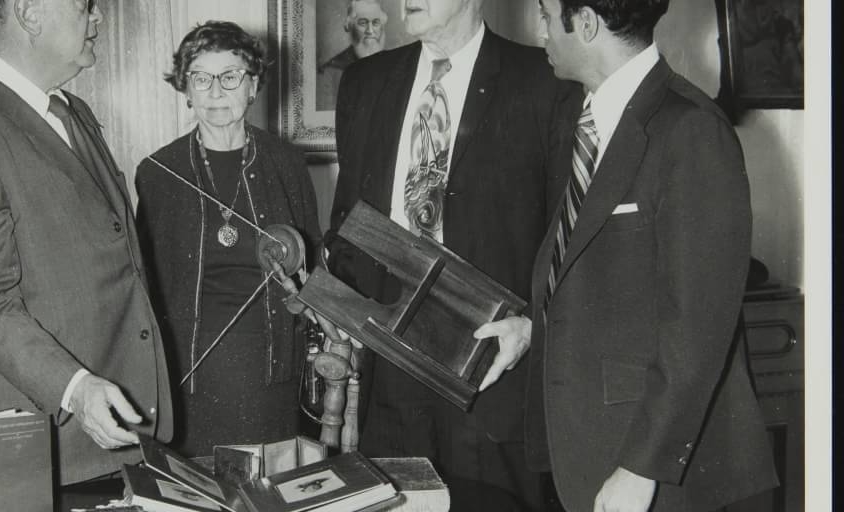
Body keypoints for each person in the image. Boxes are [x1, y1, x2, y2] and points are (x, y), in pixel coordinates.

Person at [482, 0, 780, 510]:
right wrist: (533, 326)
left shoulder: (692, 131)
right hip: (590, 450)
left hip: (657, 472)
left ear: (589, 24)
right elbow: (598, 269)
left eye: (547, 15)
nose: (540, 31)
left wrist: (640, 468)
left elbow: (697, 329)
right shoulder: (584, 119)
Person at [326, 0, 578, 508]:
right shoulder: (365, 82)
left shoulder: (546, 81)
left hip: (495, 372)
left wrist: (534, 326)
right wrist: (333, 296)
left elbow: (570, 239)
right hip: (391, 373)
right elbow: (348, 221)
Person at [0, 0, 174, 501]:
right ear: (30, 13)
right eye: (85, 6)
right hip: (31, 449)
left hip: (112, 436)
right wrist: (76, 389)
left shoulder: (70, 110)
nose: (99, 18)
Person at [135, 21, 322, 457]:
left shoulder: (287, 164)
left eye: (229, 76)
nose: (215, 92)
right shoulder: (158, 173)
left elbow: (314, 266)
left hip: (269, 366)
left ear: (252, 85)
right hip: (190, 371)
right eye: (201, 78)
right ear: (186, 89)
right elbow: (143, 285)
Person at [316, 0, 390, 110]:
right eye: (363, 23)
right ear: (350, 26)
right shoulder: (330, 72)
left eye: (376, 23)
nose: (370, 31)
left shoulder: (395, 66)